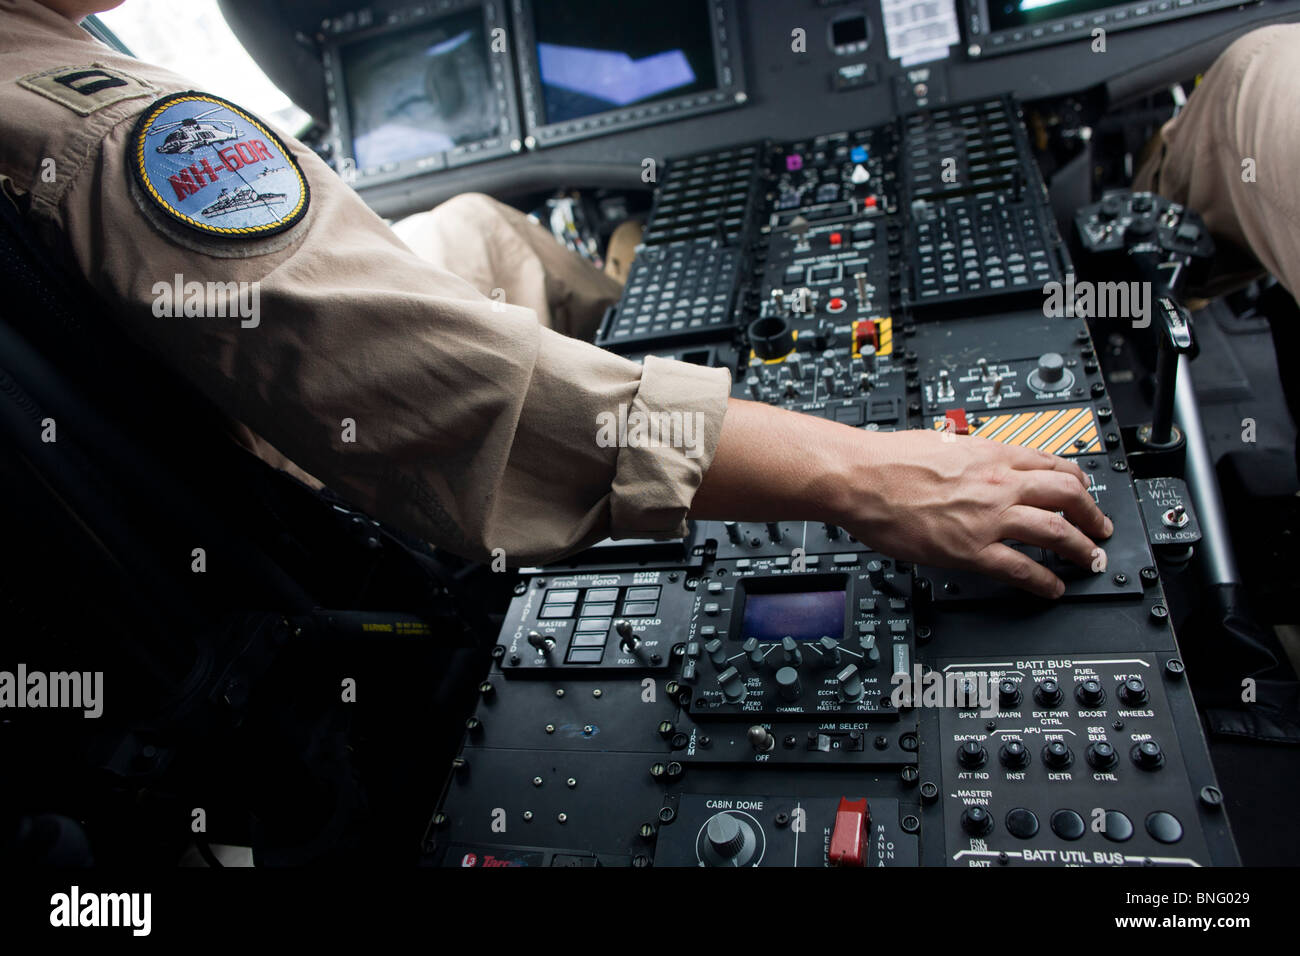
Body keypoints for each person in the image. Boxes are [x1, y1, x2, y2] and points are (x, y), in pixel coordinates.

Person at [1, 0, 1116, 601]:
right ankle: (635, 277)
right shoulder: (96, 120)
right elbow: (423, 379)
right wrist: (858, 468)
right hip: (302, 482)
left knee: (478, 224)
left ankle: (632, 265)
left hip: (181, 423)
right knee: (470, 295)